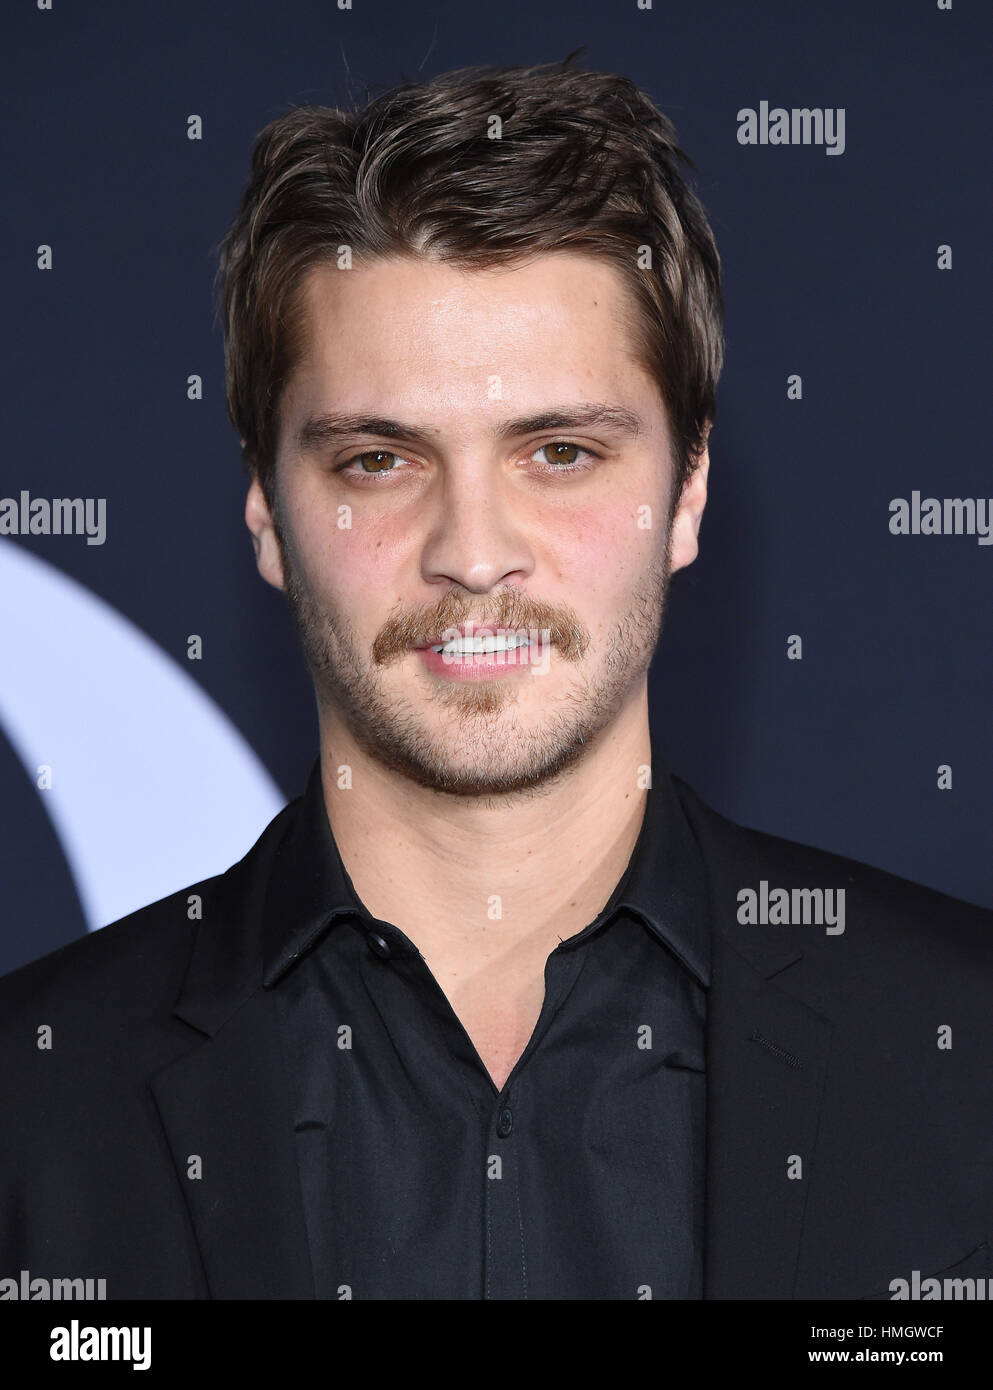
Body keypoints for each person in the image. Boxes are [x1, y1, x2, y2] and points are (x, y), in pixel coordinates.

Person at [2, 55, 991, 1303]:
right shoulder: (33, 1102)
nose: (472, 552)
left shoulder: (964, 1052)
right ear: (265, 506)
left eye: (560, 451)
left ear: (686, 490)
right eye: (378, 459)